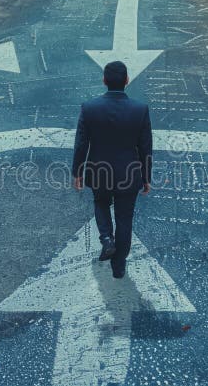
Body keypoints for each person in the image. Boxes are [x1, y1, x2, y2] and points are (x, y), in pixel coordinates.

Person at [72, 61, 152, 278]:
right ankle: (119, 266)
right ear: (127, 81)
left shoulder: (89, 108)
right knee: (125, 219)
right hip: (129, 173)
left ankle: (106, 238)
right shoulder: (140, 110)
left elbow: (81, 144)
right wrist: (146, 177)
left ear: (104, 80)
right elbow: (145, 147)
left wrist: (77, 172)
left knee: (101, 202)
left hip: (99, 172)